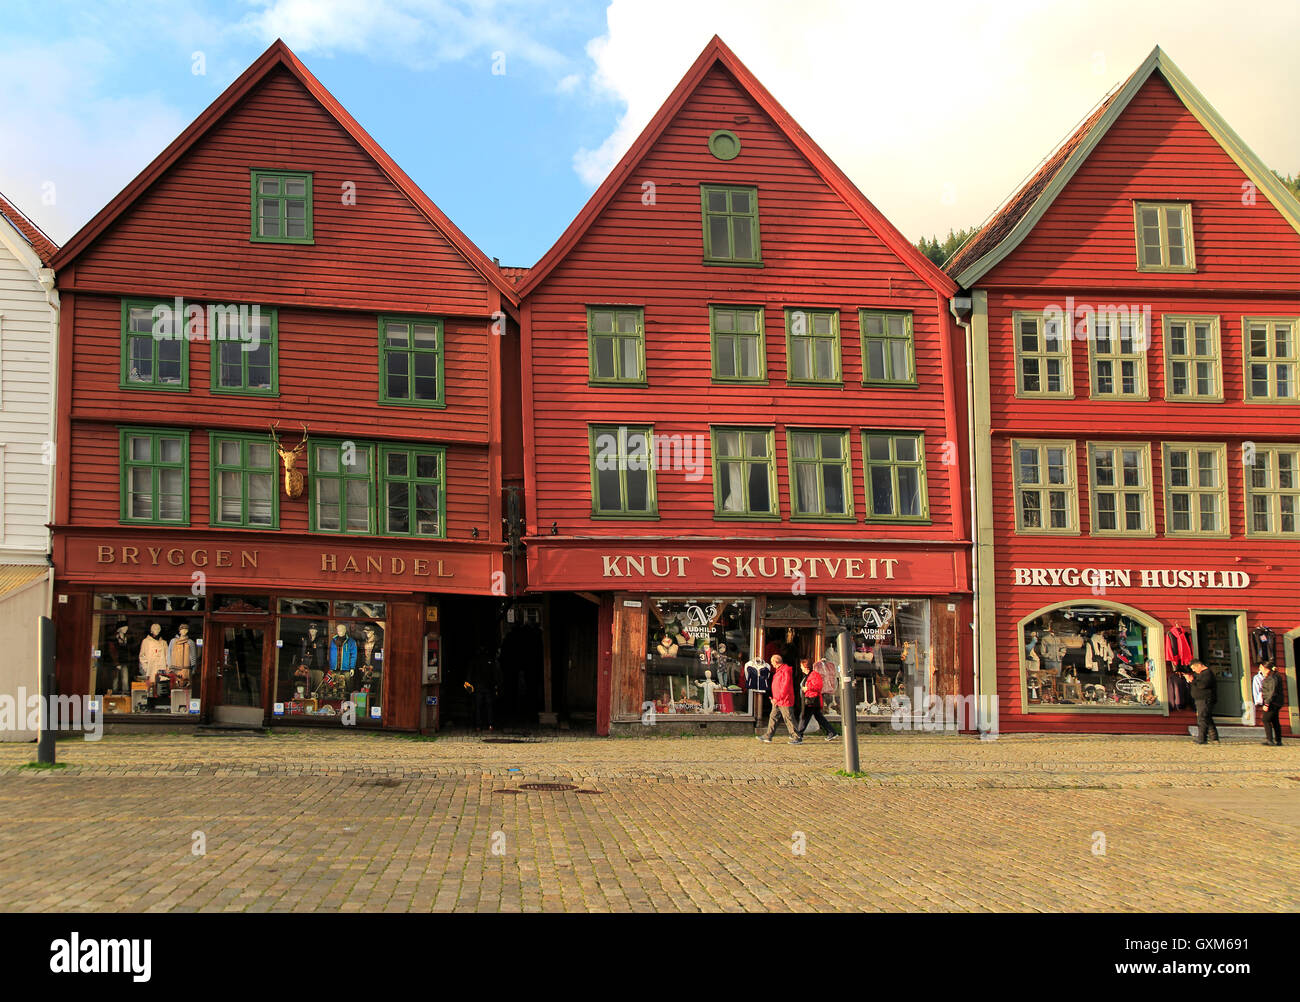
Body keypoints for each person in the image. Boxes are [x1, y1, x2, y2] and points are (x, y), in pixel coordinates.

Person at [757, 654, 800, 744]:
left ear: (776, 662)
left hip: (784, 700)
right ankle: (768, 735)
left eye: (772, 662)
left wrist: (778, 697)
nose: (771, 664)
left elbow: (785, 686)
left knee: (788, 718)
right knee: (773, 717)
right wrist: (774, 697)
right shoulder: (780, 670)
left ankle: (796, 737)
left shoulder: (785, 670)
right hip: (778, 699)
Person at [796, 658, 839, 741]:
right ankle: (832, 732)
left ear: (806, 667)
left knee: (804, 717)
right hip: (811, 699)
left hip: (812, 699)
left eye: (801, 666)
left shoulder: (814, 675)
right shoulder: (809, 675)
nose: (800, 668)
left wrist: (807, 688)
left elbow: (818, 686)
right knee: (818, 717)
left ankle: (799, 735)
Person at [1182, 660, 1219, 745]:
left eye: (1194, 668)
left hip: (1205, 699)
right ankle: (1214, 738)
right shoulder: (1199, 674)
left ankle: (1202, 739)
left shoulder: (1207, 673)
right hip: (1200, 699)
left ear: (1199, 665)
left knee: (1202, 718)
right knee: (1207, 718)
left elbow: (1202, 685)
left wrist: (1192, 680)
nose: (1194, 670)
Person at [1256, 661, 1284, 746]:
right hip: (1277, 702)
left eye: (1262, 669)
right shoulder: (1276, 676)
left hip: (1272, 702)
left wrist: (1267, 703)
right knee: (1275, 720)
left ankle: (1269, 740)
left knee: (1265, 720)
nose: (1262, 671)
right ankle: (1278, 740)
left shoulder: (1271, 678)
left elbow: (1272, 692)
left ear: (1267, 669)